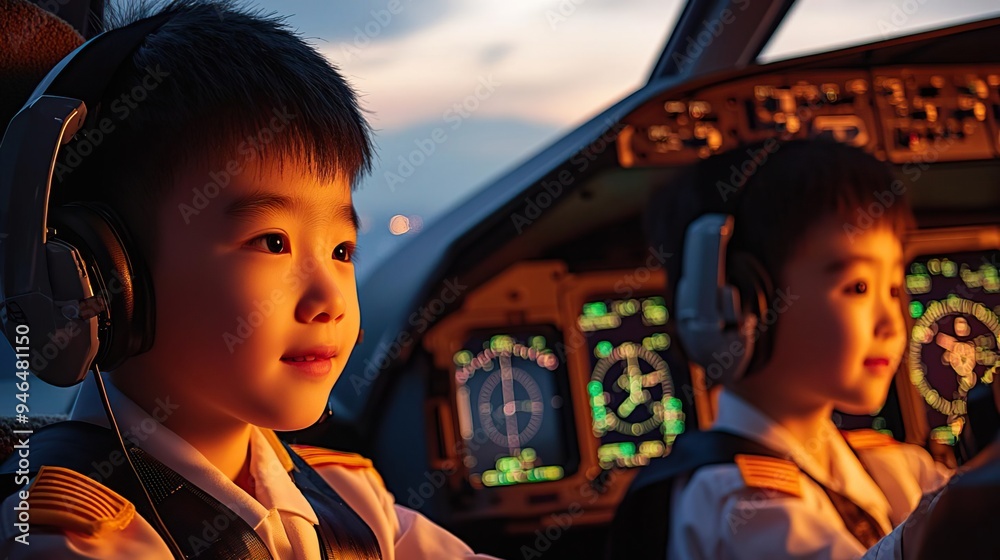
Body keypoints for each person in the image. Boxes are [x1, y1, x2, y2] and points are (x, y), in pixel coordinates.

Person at [0, 1, 497, 558]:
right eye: (273, 243)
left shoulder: (352, 503)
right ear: (101, 273)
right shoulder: (77, 541)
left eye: (341, 250)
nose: (329, 300)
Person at [607, 139, 952, 559]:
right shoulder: (734, 502)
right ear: (739, 303)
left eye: (894, 288)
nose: (891, 323)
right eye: (858, 287)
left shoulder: (887, 467)